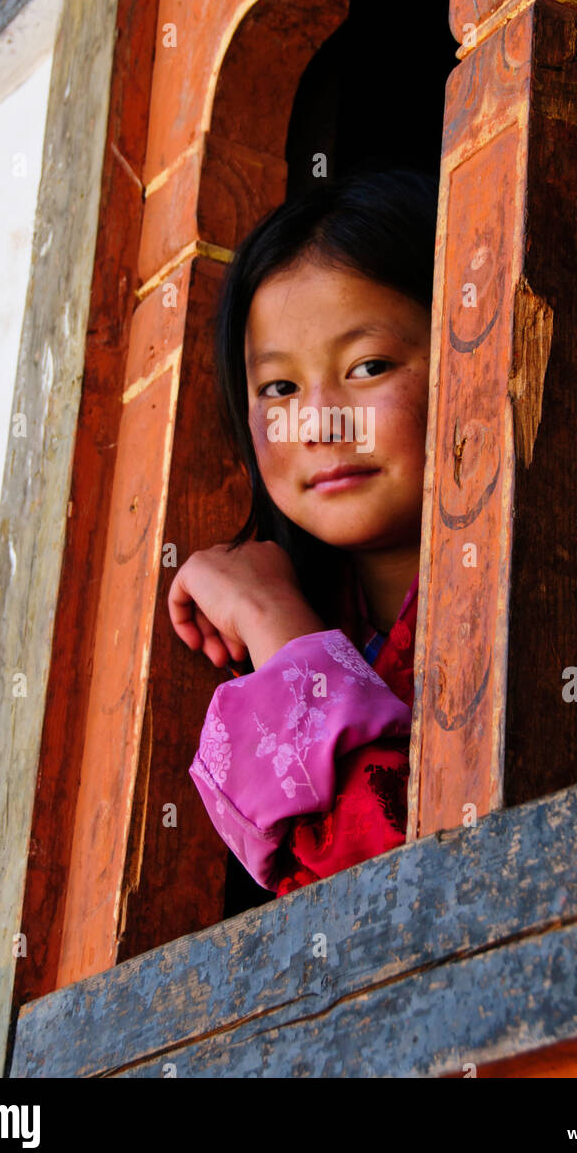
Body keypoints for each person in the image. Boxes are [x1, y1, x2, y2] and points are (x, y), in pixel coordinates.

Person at [167, 167, 437, 896]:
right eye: (280, 388)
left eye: (368, 366)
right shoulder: (268, 645)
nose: (319, 423)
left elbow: (413, 889)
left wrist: (274, 620)